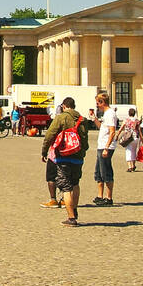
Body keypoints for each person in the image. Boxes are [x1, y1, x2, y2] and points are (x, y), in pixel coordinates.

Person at [41, 96, 89, 227]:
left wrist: (44, 152)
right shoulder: (82, 119)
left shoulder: (61, 118)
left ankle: (71, 218)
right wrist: (82, 152)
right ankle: (74, 208)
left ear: (64, 106)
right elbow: (85, 140)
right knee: (75, 184)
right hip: (78, 157)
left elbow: (49, 135)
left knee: (66, 187)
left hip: (63, 156)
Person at [91, 92, 118, 206]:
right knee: (99, 172)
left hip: (106, 147)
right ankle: (100, 196)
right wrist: (94, 119)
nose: (97, 105)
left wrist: (106, 148)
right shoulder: (106, 114)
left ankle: (109, 198)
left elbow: (112, 132)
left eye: (98, 103)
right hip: (101, 145)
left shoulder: (110, 114)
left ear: (102, 102)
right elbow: (102, 128)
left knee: (106, 171)